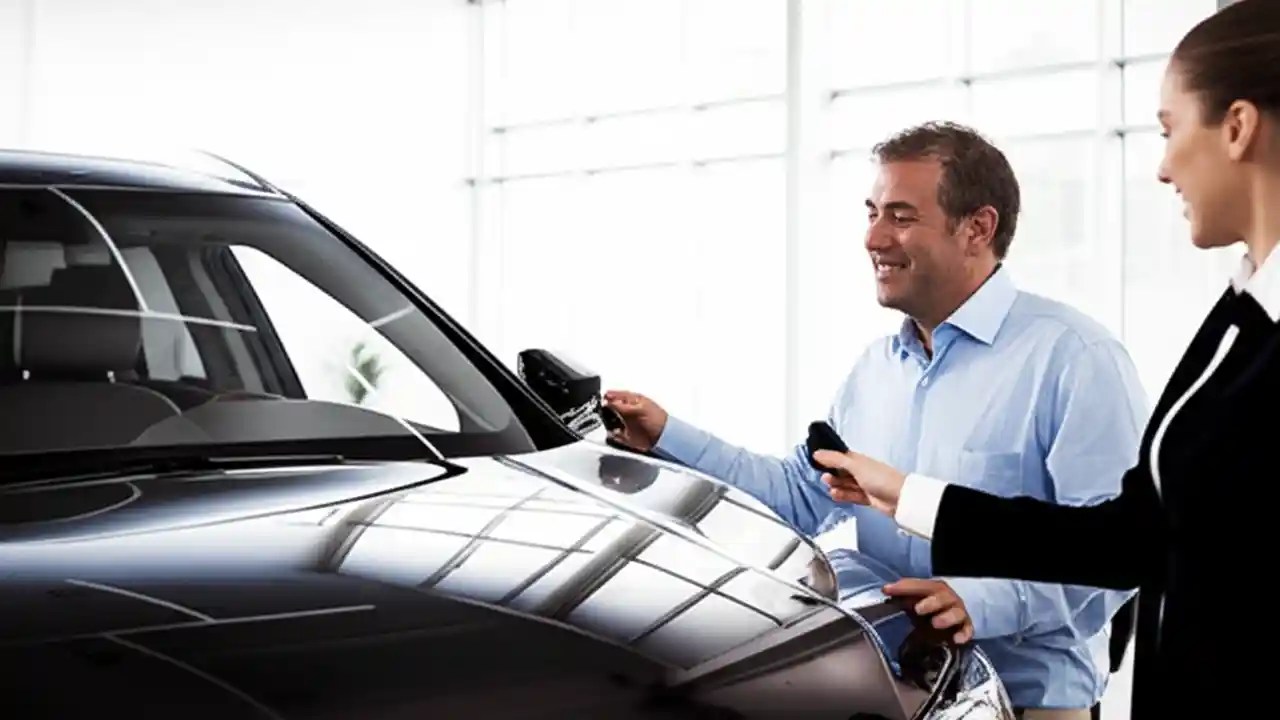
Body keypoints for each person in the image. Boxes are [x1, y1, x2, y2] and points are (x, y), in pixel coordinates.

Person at [810, 2, 1280, 717]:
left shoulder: (1080, 353)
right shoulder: (1241, 316)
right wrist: (907, 494)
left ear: (1238, 127)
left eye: (1169, 129)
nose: (1161, 167)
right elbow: (1133, 539)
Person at [604, 121, 1150, 720]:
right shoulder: (876, 370)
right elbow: (799, 496)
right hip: (896, 696)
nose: (873, 237)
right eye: (871, 212)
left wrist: (981, 601)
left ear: (978, 228)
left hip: (1028, 704)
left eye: (901, 216)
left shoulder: (1075, 359)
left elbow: (1118, 559)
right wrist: (668, 436)